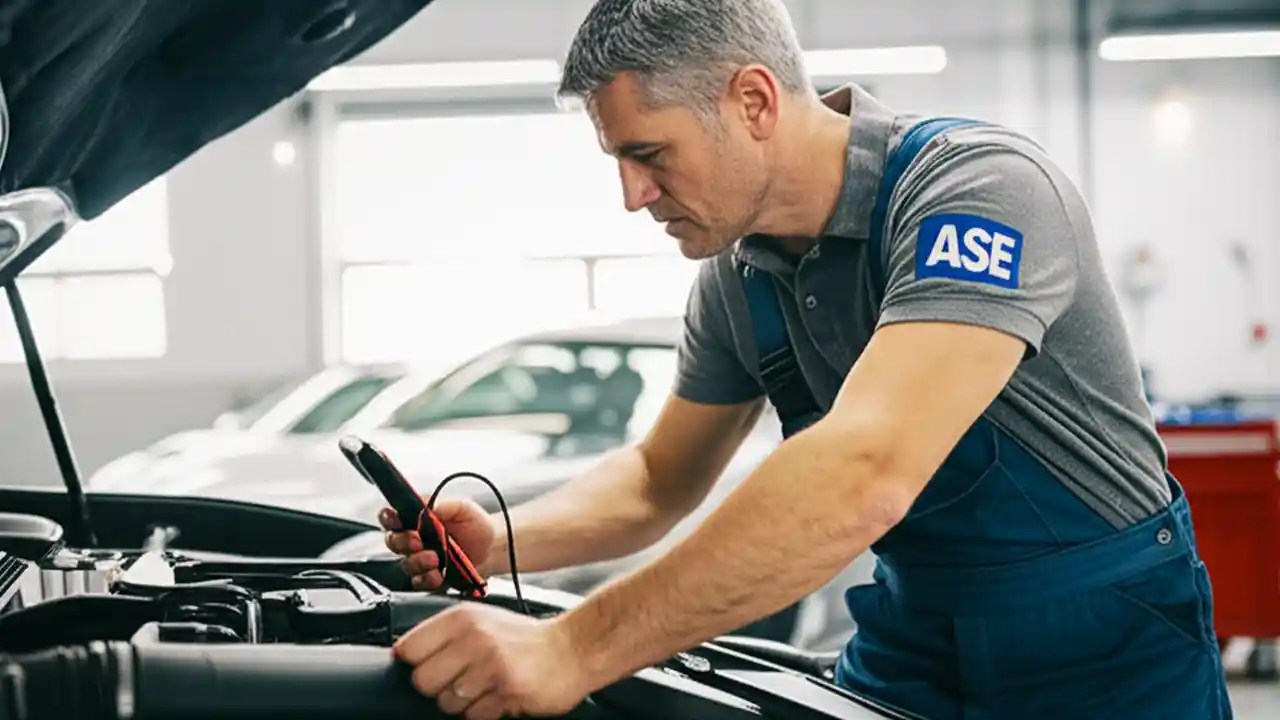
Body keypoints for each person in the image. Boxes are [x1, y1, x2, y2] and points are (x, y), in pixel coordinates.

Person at [380, 1, 1232, 718]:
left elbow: (864, 472)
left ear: (753, 101)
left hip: (1108, 648)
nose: (631, 196)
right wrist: (500, 540)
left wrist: (570, 652)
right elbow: (656, 479)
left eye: (648, 154)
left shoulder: (976, 191)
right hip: (915, 635)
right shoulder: (736, 275)